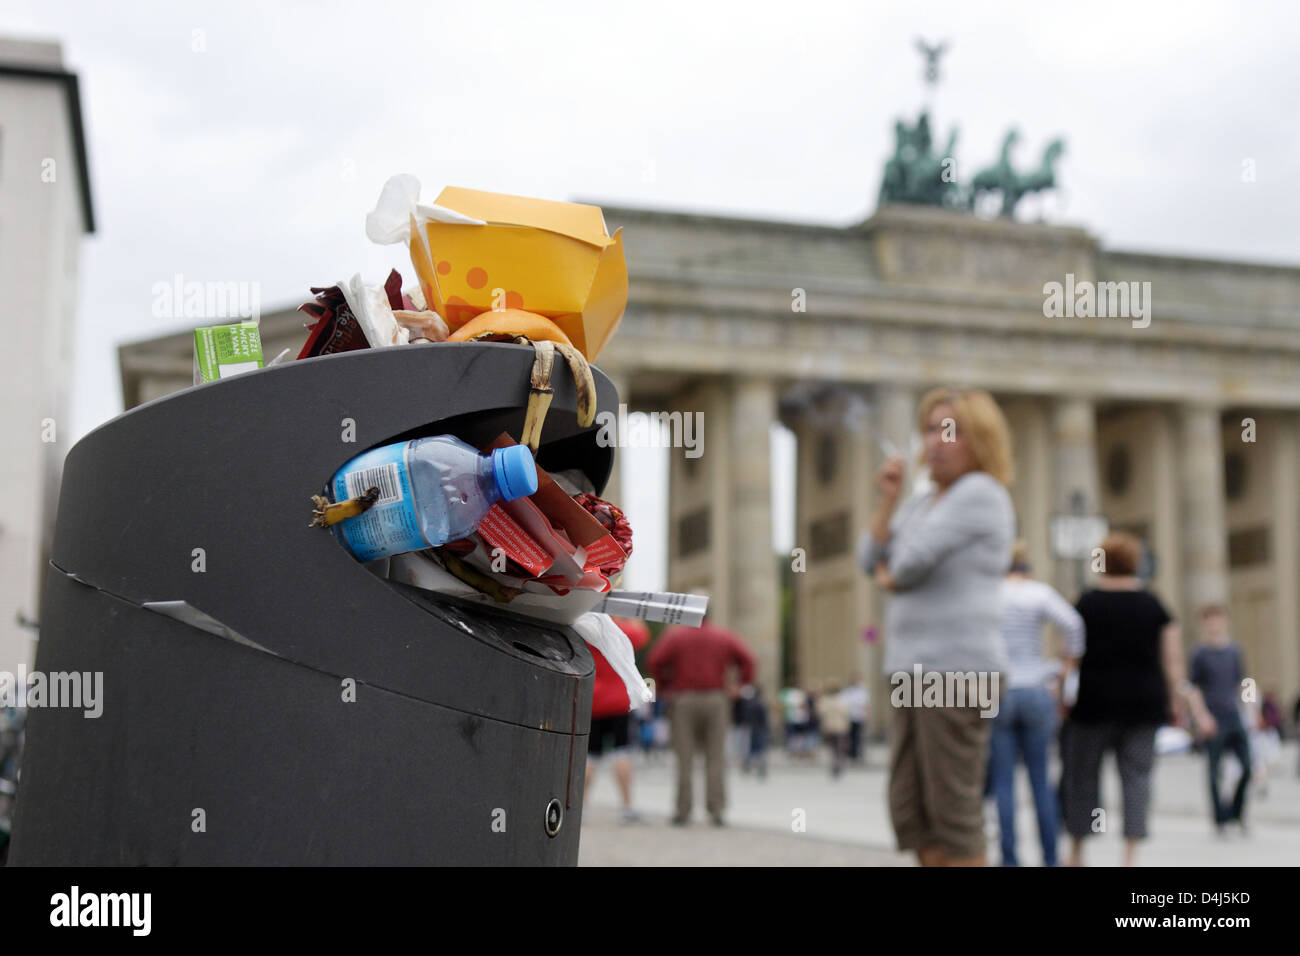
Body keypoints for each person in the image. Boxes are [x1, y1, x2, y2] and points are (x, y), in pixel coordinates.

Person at [859, 386, 1016, 867]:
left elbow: (905, 564)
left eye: (951, 431)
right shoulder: (922, 503)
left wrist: (892, 569)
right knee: (913, 811)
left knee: (954, 812)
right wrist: (888, 501)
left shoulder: (980, 494)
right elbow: (872, 560)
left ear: (980, 440)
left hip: (956, 671)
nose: (936, 441)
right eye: (930, 429)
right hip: (912, 671)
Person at [1060, 532, 1216, 867]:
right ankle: (1129, 856)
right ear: (1136, 564)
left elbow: (1069, 657)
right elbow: (1172, 662)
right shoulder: (1154, 605)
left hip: (1093, 703)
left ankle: (1078, 851)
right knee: (1137, 779)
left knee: (1083, 777)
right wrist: (1178, 702)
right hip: (1143, 704)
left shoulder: (1085, 603)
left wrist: (1062, 698)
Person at [988, 541, 1085, 866]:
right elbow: (1074, 625)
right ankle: (1049, 858)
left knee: (1003, 782)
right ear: (1026, 568)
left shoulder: (990, 593)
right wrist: (1064, 670)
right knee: (1040, 781)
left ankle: (1009, 859)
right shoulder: (1038, 593)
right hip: (1034, 688)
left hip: (1000, 690)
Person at [648, 609, 756, 826]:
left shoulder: (675, 636)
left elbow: (655, 660)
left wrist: (665, 687)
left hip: (683, 699)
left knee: (684, 758)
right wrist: (739, 686)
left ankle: (683, 810)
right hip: (716, 699)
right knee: (716, 757)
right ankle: (716, 810)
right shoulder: (724, 636)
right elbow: (749, 660)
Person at [1188, 606, 1251, 830]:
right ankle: (1219, 819)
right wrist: (1202, 717)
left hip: (1233, 715)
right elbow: (1193, 689)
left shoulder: (1235, 651)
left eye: (1218, 620)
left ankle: (1237, 812)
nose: (1214, 625)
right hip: (1212, 717)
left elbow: (1242, 683)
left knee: (1247, 767)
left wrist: (1250, 712)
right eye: (1210, 621)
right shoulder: (1199, 654)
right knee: (1215, 772)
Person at [585, 617, 651, 824]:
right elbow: (642, 635)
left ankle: (581, 806)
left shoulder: (586, 626)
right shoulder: (621, 629)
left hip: (594, 699)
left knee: (590, 756)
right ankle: (627, 806)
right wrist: (631, 617)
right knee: (622, 752)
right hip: (620, 699)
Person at [817, 682, 852, 777]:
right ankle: (838, 763)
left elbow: (820, 712)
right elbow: (846, 714)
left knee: (833, 748)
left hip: (830, 727)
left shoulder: (825, 700)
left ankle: (835, 764)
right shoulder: (842, 700)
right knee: (838, 748)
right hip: (839, 727)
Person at [740, 685, 771, 778]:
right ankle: (761, 769)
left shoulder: (749, 704)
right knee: (760, 750)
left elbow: (745, 717)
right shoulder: (761, 704)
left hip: (750, 728)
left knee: (749, 749)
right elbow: (764, 718)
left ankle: (747, 766)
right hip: (760, 729)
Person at [841, 676, 870, 763]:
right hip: (850, 717)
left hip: (860, 717)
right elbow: (844, 704)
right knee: (850, 736)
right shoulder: (848, 692)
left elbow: (866, 705)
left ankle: (858, 753)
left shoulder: (863, 692)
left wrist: (867, 716)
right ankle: (851, 753)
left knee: (858, 737)